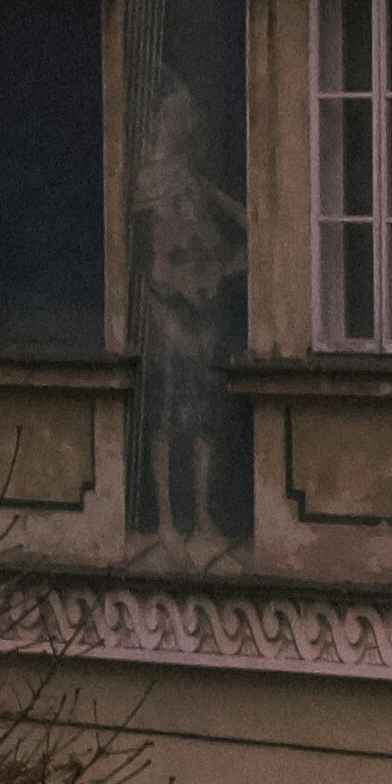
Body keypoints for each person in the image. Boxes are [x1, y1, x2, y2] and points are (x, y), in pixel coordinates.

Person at [130, 80, 244, 538]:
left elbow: (244, 228)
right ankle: (163, 517)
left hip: (201, 307)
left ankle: (199, 515)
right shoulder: (144, 183)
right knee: (168, 409)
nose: (189, 123)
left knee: (204, 412)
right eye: (180, 113)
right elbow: (144, 258)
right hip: (167, 309)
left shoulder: (194, 181)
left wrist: (217, 272)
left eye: (191, 114)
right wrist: (175, 282)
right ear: (160, 119)